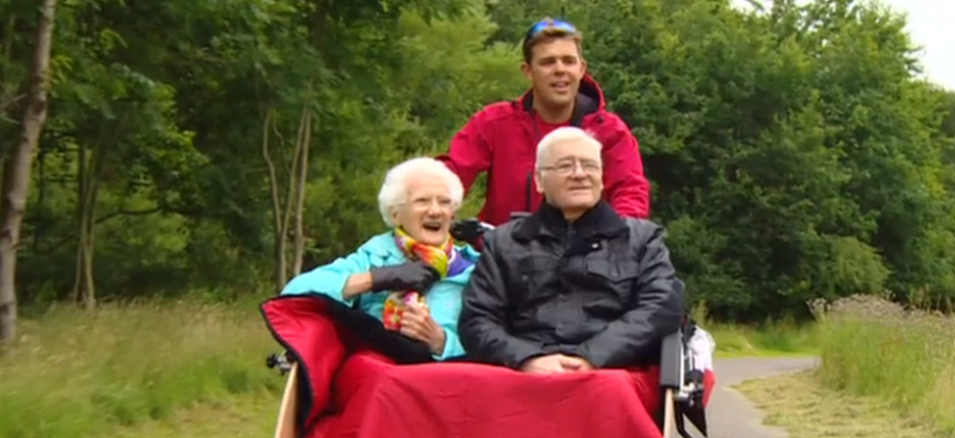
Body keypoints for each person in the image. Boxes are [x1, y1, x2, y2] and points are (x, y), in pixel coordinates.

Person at [457, 126, 682, 373]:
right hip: (523, 371)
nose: (579, 174)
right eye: (565, 166)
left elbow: (659, 308)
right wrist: (527, 360)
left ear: (602, 177)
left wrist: (591, 357)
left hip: (612, 370)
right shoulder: (503, 243)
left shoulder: (643, 239)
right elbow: (477, 320)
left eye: (589, 165)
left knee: (612, 391)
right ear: (539, 181)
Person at [437, 17, 650, 228]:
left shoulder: (609, 131)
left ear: (582, 69)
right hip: (501, 255)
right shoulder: (494, 122)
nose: (560, 69)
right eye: (548, 62)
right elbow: (448, 177)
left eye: (568, 61)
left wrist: (615, 241)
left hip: (583, 255)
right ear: (528, 71)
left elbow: (630, 192)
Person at [282, 157, 478, 361]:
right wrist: (377, 279)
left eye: (445, 202)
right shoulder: (376, 256)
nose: (436, 211)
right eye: (422, 201)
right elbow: (294, 294)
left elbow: (500, 341)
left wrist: (442, 342)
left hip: (447, 384)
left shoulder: (477, 271)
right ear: (396, 215)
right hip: (376, 380)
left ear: (453, 214)